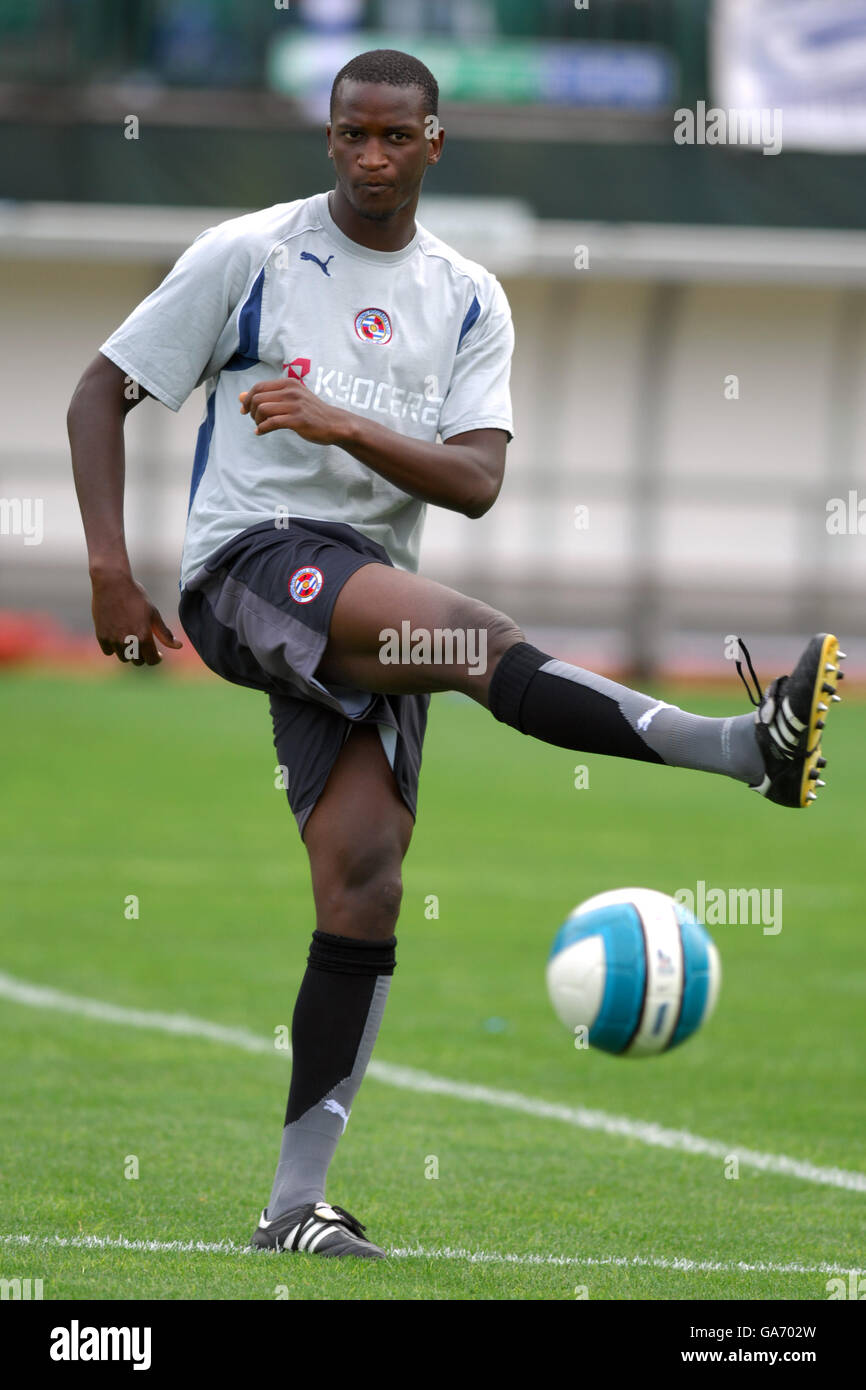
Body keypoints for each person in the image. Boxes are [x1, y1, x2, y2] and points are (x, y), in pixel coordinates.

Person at [68, 48, 842, 1260]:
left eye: (392, 137)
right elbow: (99, 391)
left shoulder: (469, 295)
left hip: (362, 586)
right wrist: (112, 569)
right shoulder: (249, 255)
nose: (368, 156)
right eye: (348, 134)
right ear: (328, 138)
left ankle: (289, 1211)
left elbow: (476, 483)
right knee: (472, 638)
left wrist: (339, 418)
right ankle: (744, 747)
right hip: (250, 568)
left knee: (365, 881)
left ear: (435, 144)